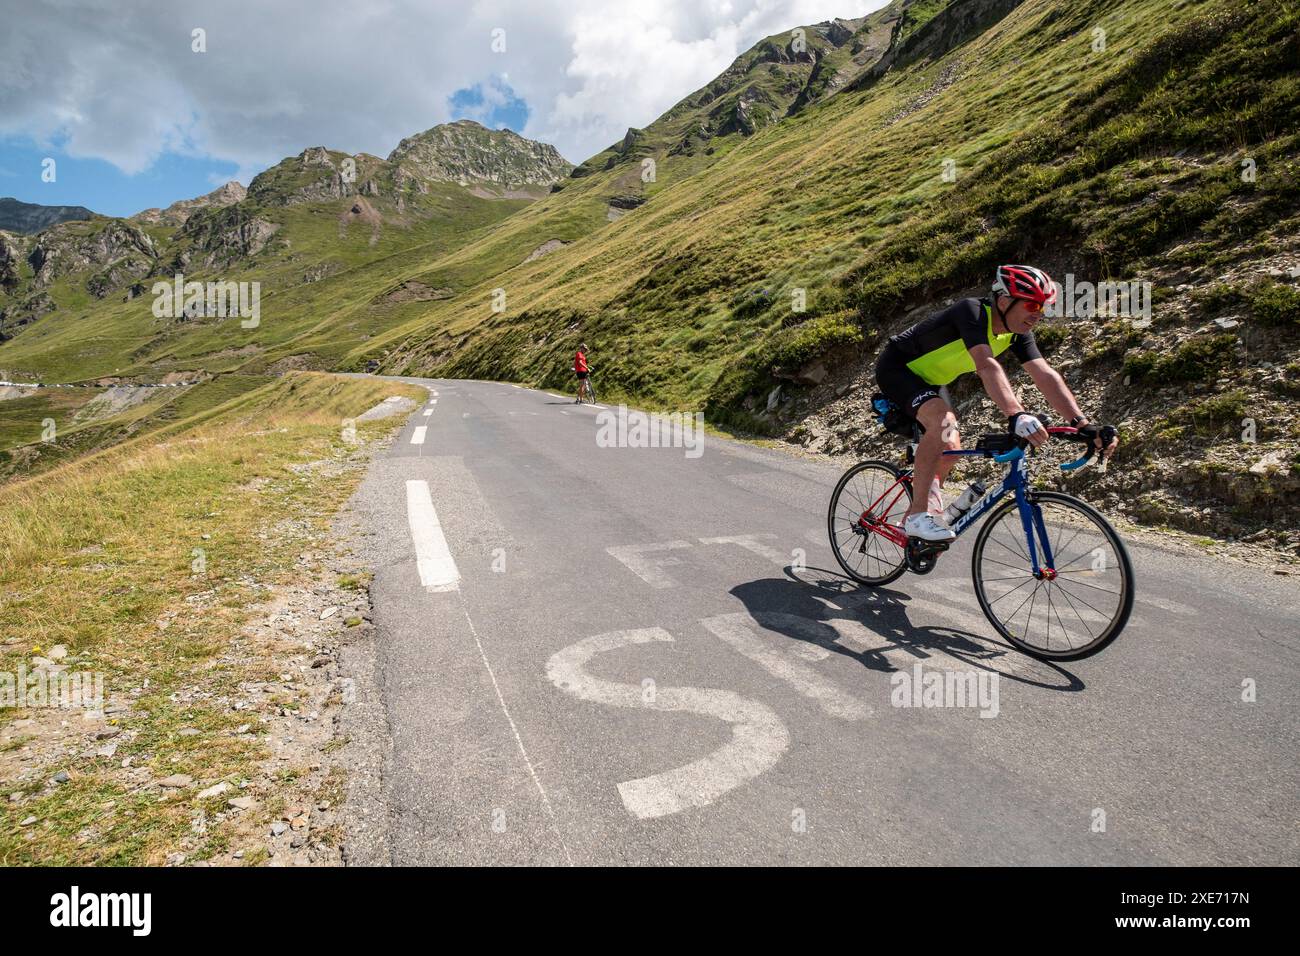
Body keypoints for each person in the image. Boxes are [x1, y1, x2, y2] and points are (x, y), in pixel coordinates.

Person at [874, 264, 1119, 542]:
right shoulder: (972, 312)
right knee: (944, 423)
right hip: (898, 368)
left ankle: (926, 509)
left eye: (1043, 307)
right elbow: (986, 365)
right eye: (1031, 304)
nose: (1037, 313)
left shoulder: (1017, 332)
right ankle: (918, 516)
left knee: (951, 447)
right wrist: (1016, 414)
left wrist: (1082, 424)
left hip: (932, 381)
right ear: (1004, 301)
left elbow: (1045, 375)